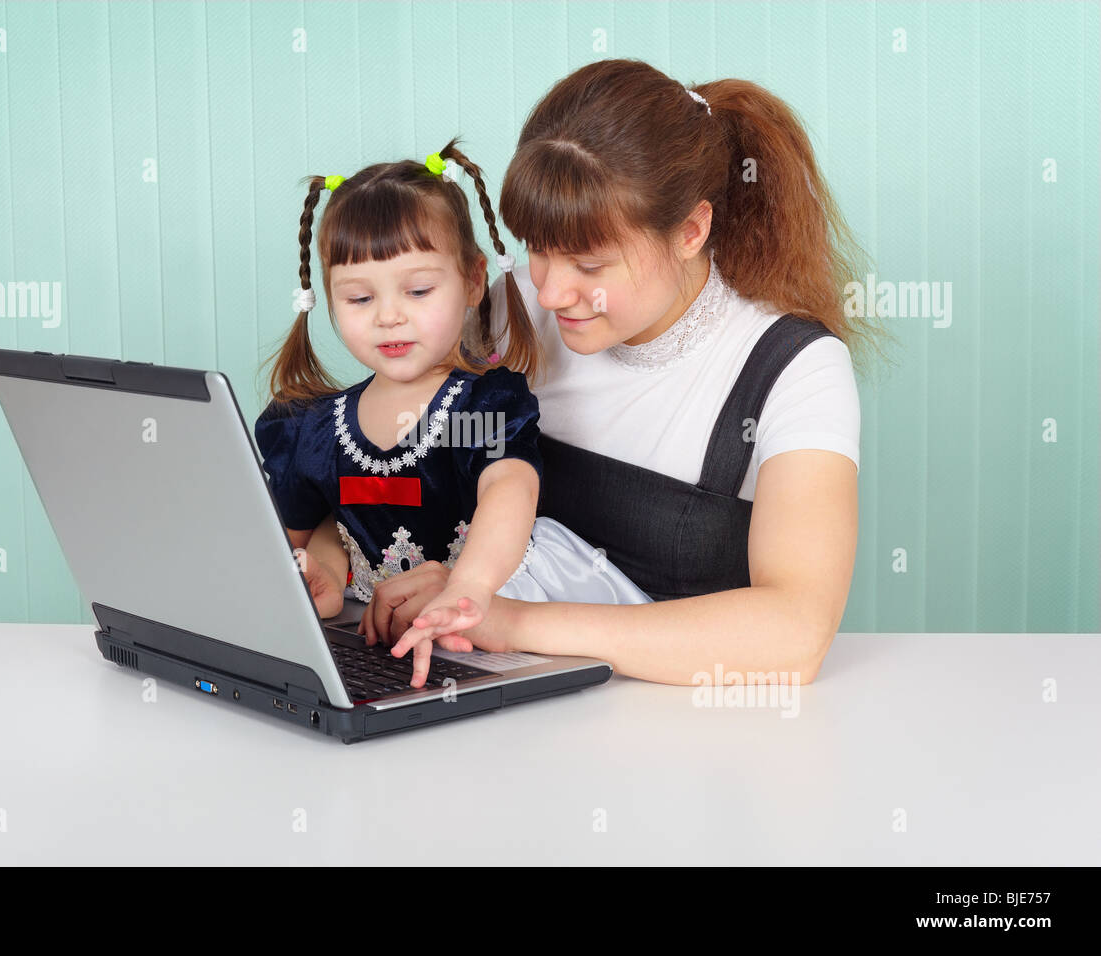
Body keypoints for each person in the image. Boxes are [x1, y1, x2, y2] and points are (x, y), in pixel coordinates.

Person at [345, 60, 898, 685]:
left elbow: (795, 635)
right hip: (510, 710)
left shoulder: (792, 366)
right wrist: (450, 578)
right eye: (538, 247)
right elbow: (412, 465)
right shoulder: (510, 311)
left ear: (691, 230)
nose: (549, 291)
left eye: (588, 263)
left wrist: (515, 620)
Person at [254, 139, 655, 689]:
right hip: (390, 641)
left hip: (499, 611)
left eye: (418, 290)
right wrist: (319, 579)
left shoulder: (479, 406)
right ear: (327, 298)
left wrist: (467, 589)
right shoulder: (313, 430)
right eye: (359, 299)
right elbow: (297, 539)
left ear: (471, 281)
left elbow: (510, 487)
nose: (389, 317)